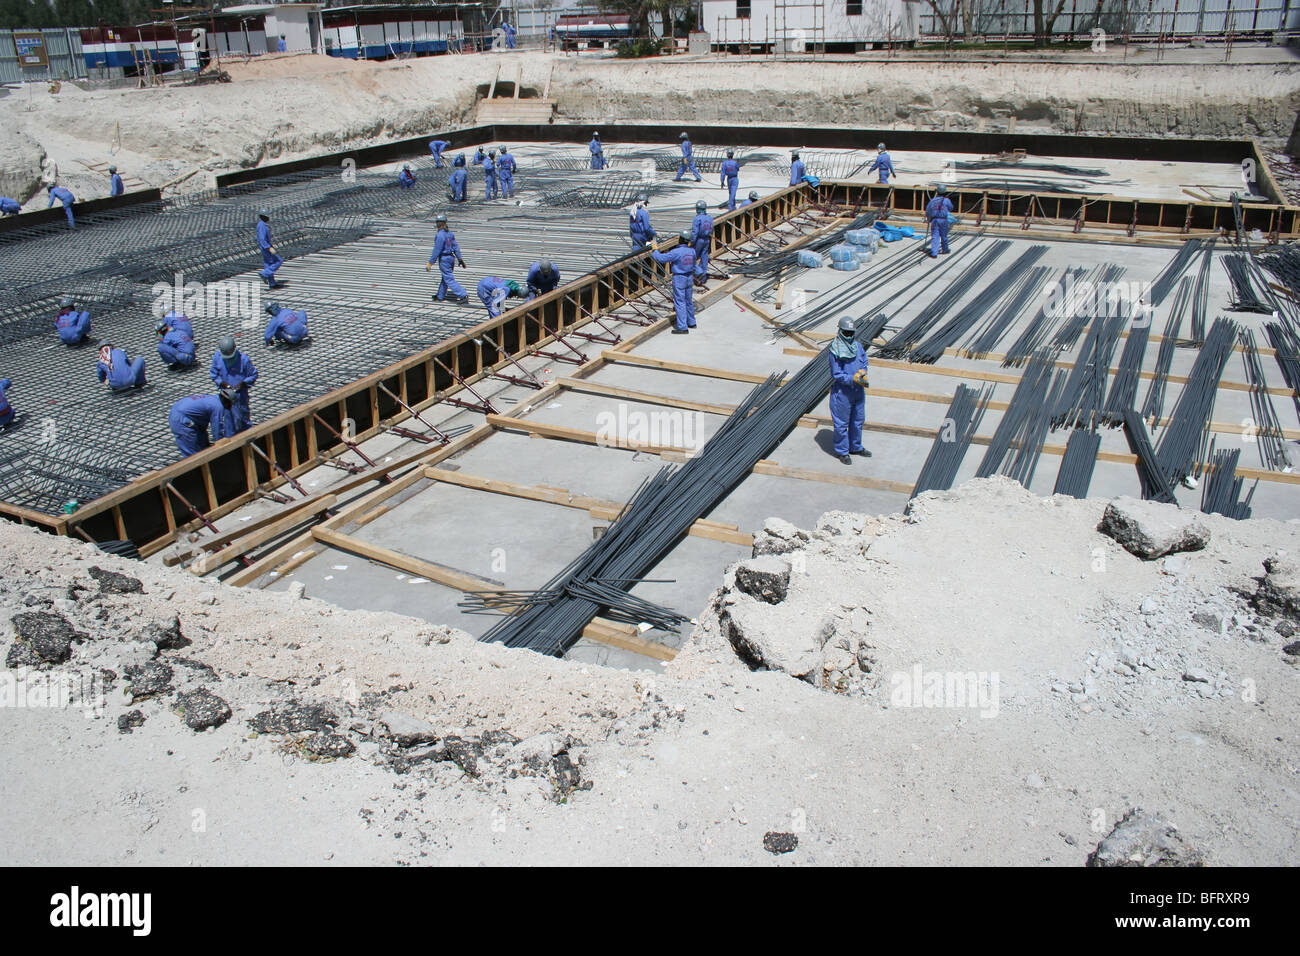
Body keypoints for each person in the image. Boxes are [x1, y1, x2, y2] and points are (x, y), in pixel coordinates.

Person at [828, 315, 870, 465]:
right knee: (841, 423)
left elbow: (864, 360)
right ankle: (842, 451)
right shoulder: (835, 349)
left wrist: (863, 372)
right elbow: (837, 373)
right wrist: (852, 378)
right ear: (840, 331)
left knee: (858, 420)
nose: (849, 335)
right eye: (846, 332)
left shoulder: (857, 346)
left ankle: (856, 447)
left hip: (858, 391)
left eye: (851, 333)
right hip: (843, 393)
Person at [650, 231, 697, 334]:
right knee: (688, 300)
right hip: (689, 277)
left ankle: (682, 327)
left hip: (680, 278)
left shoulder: (676, 252)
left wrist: (655, 249)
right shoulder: (692, 251)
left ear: (681, 239)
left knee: (680, 302)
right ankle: (691, 322)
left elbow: (661, 258)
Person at [209, 335, 258, 432]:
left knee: (243, 418)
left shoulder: (244, 360)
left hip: (240, 395)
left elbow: (253, 375)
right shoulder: (217, 358)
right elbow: (214, 375)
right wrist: (223, 383)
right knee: (228, 419)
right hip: (226, 396)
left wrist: (243, 383)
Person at [169, 391, 234, 457]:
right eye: (230, 404)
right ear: (225, 400)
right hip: (180, 419)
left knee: (203, 444)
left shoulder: (212, 399)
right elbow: (217, 428)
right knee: (192, 453)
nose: (230, 407)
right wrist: (220, 447)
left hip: (182, 412)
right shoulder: (218, 407)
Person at [427, 214, 469, 303]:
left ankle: (463, 294)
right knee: (445, 277)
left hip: (444, 259)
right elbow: (455, 247)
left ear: (438, 224)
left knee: (449, 278)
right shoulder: (449, 234)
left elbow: (437, 250)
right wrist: (460, 259)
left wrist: (430, 263)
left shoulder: (440, 235)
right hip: (451, 258)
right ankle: (440, 296)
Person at [256, 209, 283, 288]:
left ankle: (272, 283)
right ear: (264, 216)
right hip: (266, 247)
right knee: (278, 260)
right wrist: (268, 248)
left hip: (265, 246)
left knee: (268, 264)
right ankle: (264, 274)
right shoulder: (262, 226)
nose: (269, 218)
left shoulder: (263, 224)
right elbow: (262, 239)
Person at [925, 184, 954, 258]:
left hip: (935, 220)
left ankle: (934, 253)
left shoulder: (932, 201)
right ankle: (945, 249)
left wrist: (928, 218)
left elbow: (928, 210)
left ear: (937, 192)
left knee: (935, 236)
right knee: (944, 235)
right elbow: (951, 208)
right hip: (943, 220)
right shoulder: (946, 200)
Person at [690, 200, 713, 287]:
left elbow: (695, 232)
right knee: (704, 257)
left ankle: (699, 273)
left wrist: (692, 242)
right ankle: (703, 277)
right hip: (707, 239)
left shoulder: (697, 219)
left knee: (692, 258)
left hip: (699, 240)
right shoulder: (709, 218)